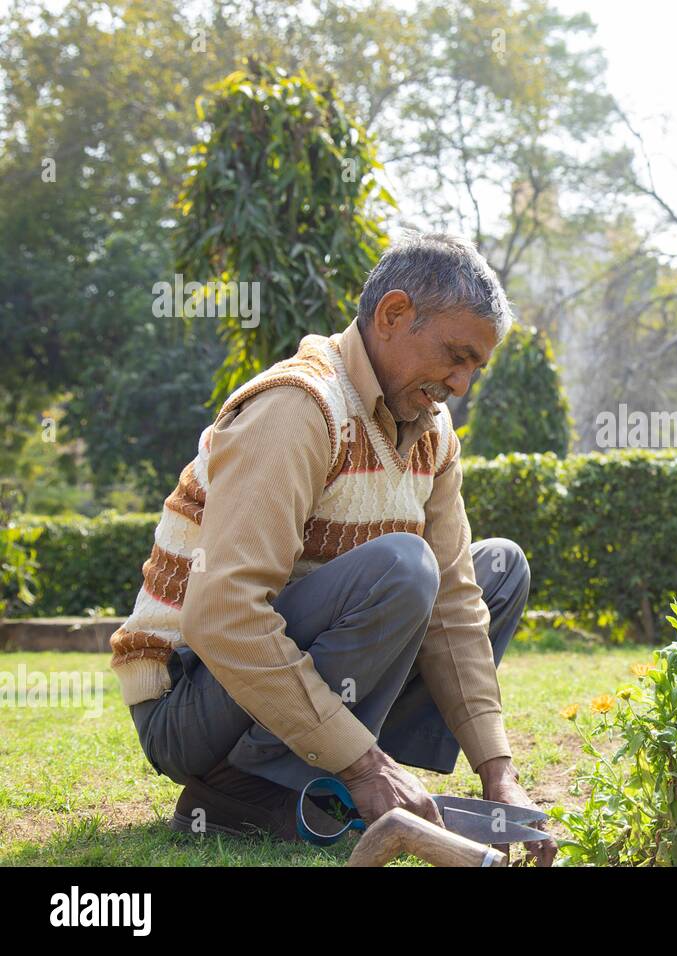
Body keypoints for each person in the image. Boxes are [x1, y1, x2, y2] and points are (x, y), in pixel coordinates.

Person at [109, 233, 556, 865]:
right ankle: (247, 790)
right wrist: (364, 764)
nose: (460, 383)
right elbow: (224, 616)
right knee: (403, 567)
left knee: (499, 569)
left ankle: (319, 772)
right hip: (188, 704)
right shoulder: (300, 407)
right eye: (455, 356)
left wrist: (498, 775)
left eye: (474, 367)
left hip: (277, 678)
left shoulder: (432, 433)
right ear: (393, 314)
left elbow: (456, 605)